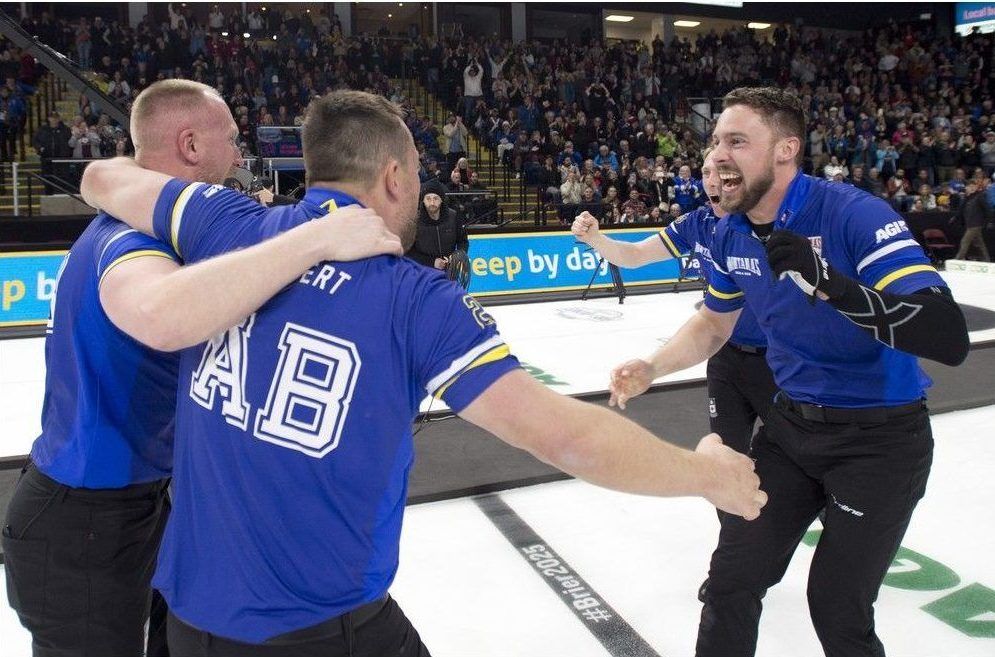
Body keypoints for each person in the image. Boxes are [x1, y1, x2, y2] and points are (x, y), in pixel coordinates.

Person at [80, 89, 767, 655]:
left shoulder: (224, 223)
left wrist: (307, 238)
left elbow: (100, 177)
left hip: (186, 621)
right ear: (393, 176)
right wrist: (706, 473)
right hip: (319, 628)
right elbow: (563, 435)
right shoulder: (414, 298)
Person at [3, 80, 400, 657]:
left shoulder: (144, 224)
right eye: (233, 140)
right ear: (190, 145)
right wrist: (314, 240)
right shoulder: (134, 240)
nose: (240, 157)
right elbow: (161, 313)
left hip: (133, 506)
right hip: (88, 521)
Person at [608, 87, 969, 657]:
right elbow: (713, 323)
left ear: (786, 150)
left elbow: (946, 334)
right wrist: (654, 364)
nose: (719, 154)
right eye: (716, 141)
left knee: (835, 609)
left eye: (737, 141)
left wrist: (829, 283)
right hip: (790, 431)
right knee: (730, 581)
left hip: (879, 441)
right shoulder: (727, 228)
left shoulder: (852, 213)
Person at [572, 148, 775, 457]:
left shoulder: (764, 225)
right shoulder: (698, 222)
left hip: (778, 360)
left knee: (790, 465)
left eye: (722, 174)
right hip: (726, 356)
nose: (712, 181)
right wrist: (596, 240)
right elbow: (636, 255)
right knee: (723, 459)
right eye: (706, 173)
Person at [406, 179, 468, 270]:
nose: (432, 203)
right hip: (423, 273)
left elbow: (463, 241)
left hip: (449, 271)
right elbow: (409, 252)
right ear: (423, 200)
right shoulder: (414, 221)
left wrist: (456, 258)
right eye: (428, 198)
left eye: (435, 198)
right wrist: (431, 262)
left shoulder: (453, 216)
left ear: (441, 200)